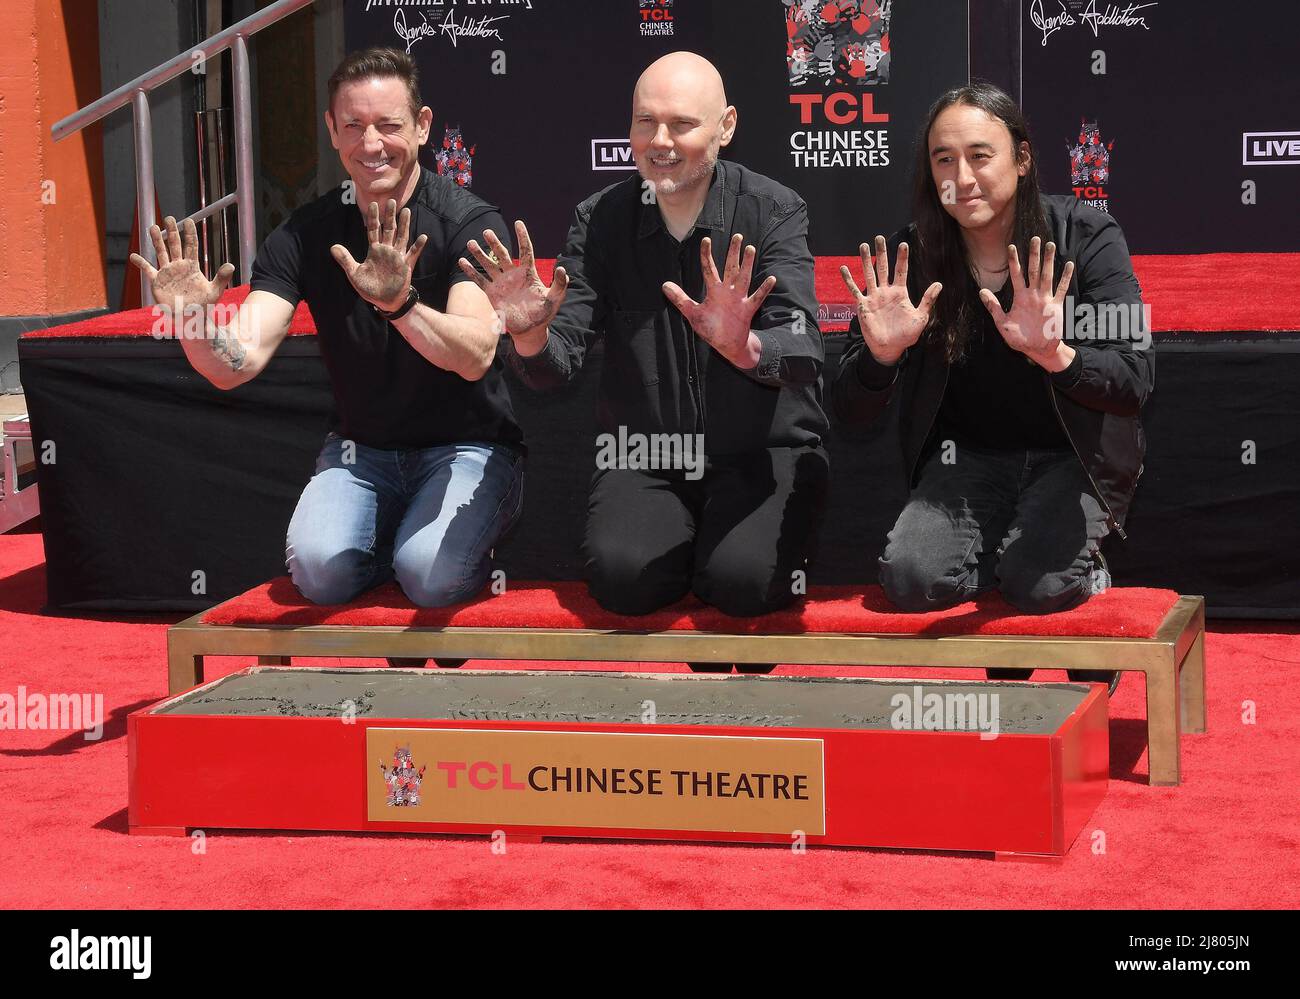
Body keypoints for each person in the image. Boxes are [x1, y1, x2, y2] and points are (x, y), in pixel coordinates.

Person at [130, 48, 523, 667]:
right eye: (354, 126)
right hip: (360, 454)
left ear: (422, 126)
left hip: (466, 446)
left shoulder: (468, 222)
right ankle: (395, 546)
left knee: (428, 575)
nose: (373, 143)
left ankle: (432, 551)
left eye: (389, 126)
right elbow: (234, 364)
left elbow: (474, 355)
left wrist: (400, 306)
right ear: (332, 131)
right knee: (318, 571)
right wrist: (193, 320)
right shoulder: (304, 234)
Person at [462, 51, 830, 673]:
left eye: (682, 124)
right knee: (623, 579)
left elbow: (802, 349)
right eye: (644, 122)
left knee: (739, 584)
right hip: (648, 454)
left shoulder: (774, 211)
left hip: (763, 452)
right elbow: (559, 361)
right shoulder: (599, 218)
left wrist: (744, 346)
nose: (660, 142)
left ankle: (719, 558)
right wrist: (527, 336)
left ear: (726, 126)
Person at [830, 81, 1155, 691]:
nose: (962, 176)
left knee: (1038, 584)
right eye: (943, 159)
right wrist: (880, 355)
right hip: (967, 460)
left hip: (1073, 455)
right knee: (910, 582)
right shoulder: (912, 255)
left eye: (981, 155)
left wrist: (1057, 355)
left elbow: (1136, 380)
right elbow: (849, 407)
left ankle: (1074, 571)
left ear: (1022, 159)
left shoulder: (1087, 236)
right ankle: (1008, 562)